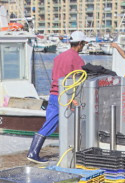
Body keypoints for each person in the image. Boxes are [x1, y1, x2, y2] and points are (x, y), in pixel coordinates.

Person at [27, 31, 90, 163]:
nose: (84, 46)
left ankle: (36, 151)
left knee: (49, 122)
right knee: (58, 124)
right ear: (79, 44)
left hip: (53, 94)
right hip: (65, 96)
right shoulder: (77, 59)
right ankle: (33, 153)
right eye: (83, 43)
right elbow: (80, 79)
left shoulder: (59, 57)